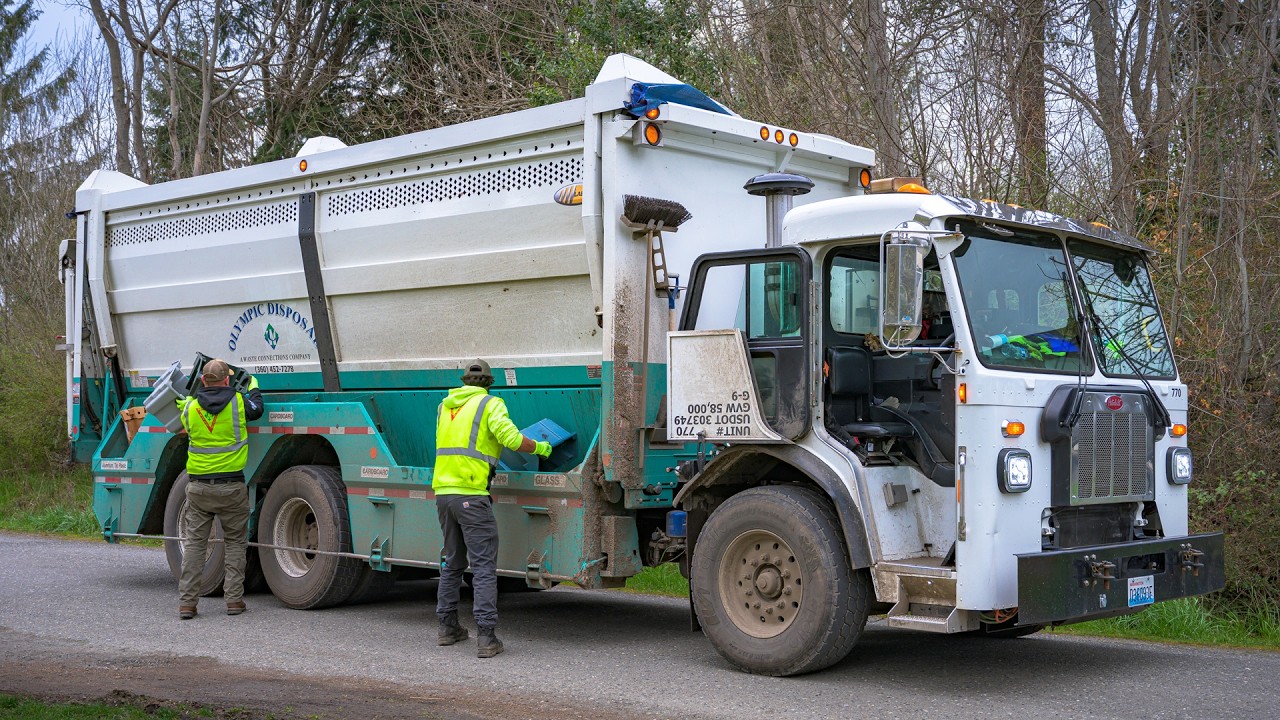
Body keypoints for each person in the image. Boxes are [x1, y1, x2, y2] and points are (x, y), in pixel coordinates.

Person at [433, 359, 551, 658]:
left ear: (463, 381)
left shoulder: (445, 406)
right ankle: (486, 637)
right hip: (472, 495)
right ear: (488, 382)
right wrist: (539, 447)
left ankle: (447, 627)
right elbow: (510, 439)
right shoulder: (490, 404)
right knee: (483, 566)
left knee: (452, 562)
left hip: (444, 494)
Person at [176, 358, 264, 620]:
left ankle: (187, 604)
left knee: (195, 545)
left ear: (203, 380)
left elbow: (183, 417)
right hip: (231, 487)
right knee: (236, 542)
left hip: (199, 488)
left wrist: (186, 404)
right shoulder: (238, 402)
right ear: (227, 380)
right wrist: (254, 388)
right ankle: (234, 601)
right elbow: (257, 409)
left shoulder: (189, 409)